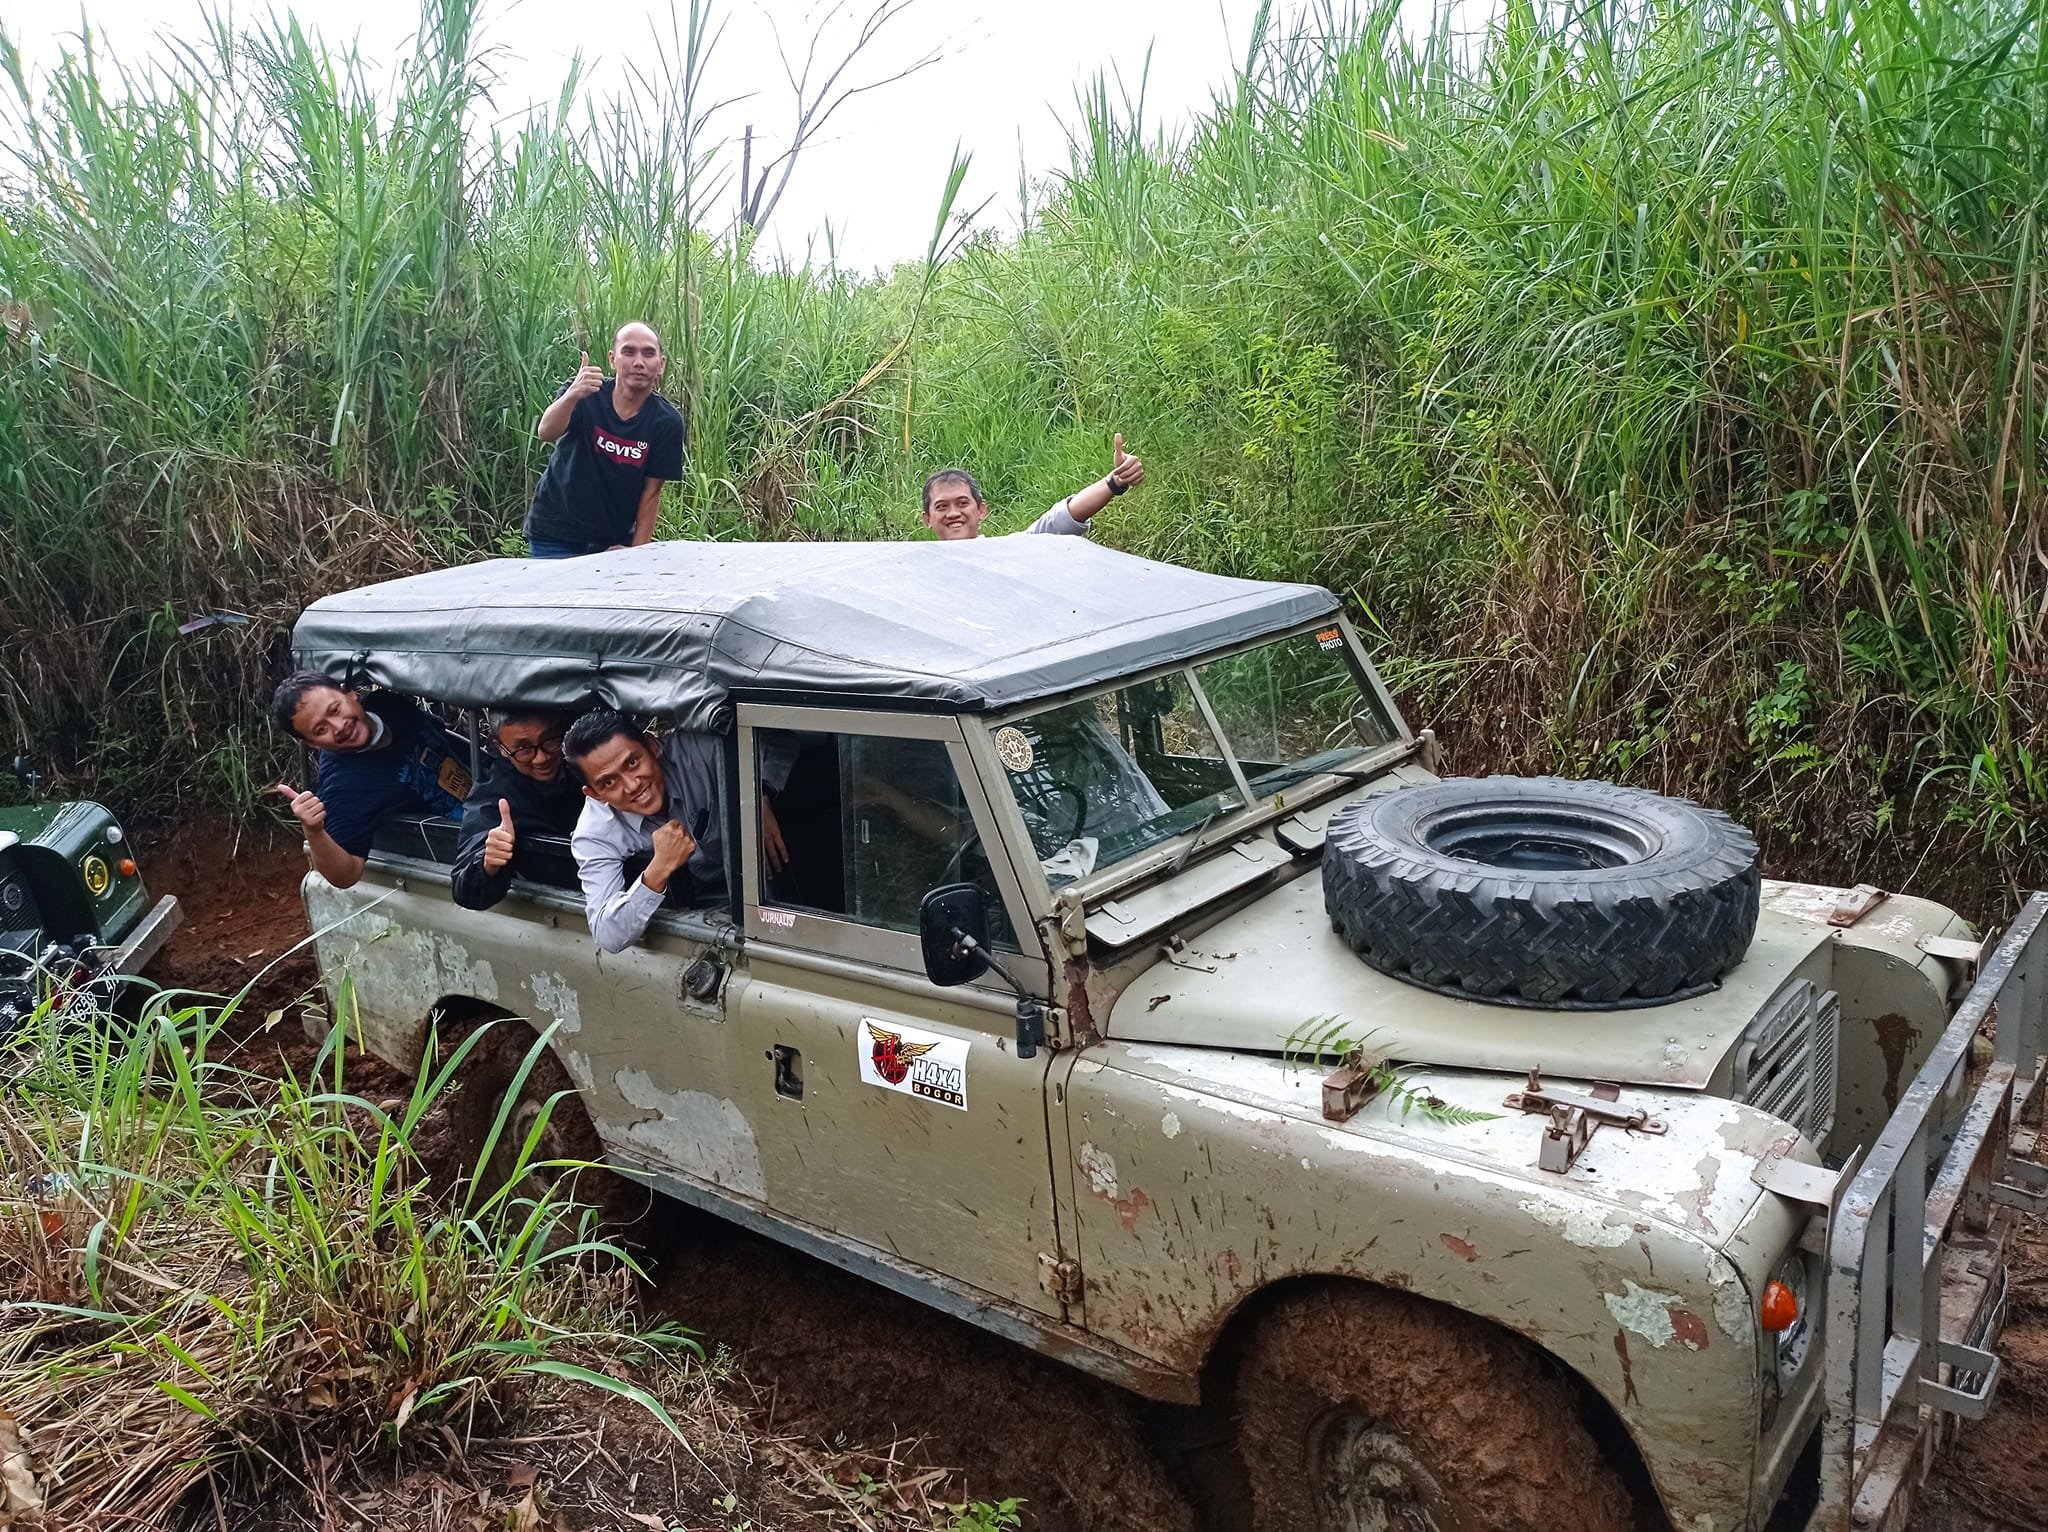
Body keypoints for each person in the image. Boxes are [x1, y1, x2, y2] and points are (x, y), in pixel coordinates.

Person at [564, 711, 795, 953]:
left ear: (652, 746)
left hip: (768, 897)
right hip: (701, 927)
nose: (632, 785)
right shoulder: (594, 833)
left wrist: (757, 794)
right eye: (609, 782)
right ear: (596, 795)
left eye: (632, 763)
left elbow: (777, 740)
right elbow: (608, 935)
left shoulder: (695, 750)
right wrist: (658, 869)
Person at [269, 673, 472, 890]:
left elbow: (443, 735)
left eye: (335, 710)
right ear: (312, 743)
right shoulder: (343, 787)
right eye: (321, 729)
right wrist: (314, 831)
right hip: (462, 848)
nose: (338, 727)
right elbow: (346, 875)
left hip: (484, 797)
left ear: (350, 694)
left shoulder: (388, 703)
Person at [523, 322, 686, 558]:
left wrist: (635, 554)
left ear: (660, 365)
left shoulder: (666, 422)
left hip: (612, 541)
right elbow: (546, 432)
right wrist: (572, 395)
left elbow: (651, 494)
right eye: (628, 352)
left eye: (648, 353)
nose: (638, 362)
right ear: (613, 359)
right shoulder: (584, 393)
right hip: (555, 532)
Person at [449, 708, 584, 911]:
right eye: (524, 749)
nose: (541, 758)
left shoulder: (585, 756)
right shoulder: (495, 795)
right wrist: (488, 864)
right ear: (501, 748)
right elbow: (465, 891)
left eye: (549, 740)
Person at [920, 434, 1146, 541]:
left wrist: (1114, 482)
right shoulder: (915, 571)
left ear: (981, 511)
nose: (953, 513)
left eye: (962, 503)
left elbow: (1059, 520)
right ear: (927, 519)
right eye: (941, 506)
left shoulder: (1009, 553)